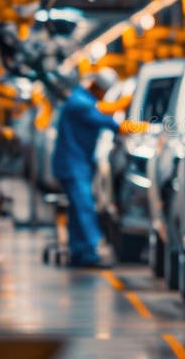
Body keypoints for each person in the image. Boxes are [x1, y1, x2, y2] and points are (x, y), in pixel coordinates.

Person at [52, 67, 140, 268]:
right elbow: (107, 121)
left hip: (77, 163)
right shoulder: (80, 103)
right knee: (84, 206)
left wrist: (120, 105)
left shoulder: (83, 100)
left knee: (77, 209)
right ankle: (94, 247)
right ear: (97, 87)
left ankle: (80, 252)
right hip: (72, 165)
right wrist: (139, 126)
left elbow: (102, 109)